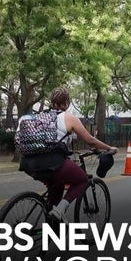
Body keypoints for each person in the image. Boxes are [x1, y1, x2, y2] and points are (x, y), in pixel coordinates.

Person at [17, 86, 117, 224]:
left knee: (57, 184)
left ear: (51, 101)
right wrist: (109, 148)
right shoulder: (68, 117)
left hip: (28, 164)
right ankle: (59, 210)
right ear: (66, 103)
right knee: (82, 180)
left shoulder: (38, 117)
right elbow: (90, 140)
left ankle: (52, 220)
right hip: (52, 162)